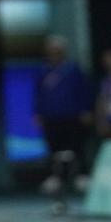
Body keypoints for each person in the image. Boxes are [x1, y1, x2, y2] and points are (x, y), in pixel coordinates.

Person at [32, 35, 92, 211]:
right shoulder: (43, 71)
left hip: (71, 117)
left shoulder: (72, 70)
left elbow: (83, 91)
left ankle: (81, 174)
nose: (54, 54)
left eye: (57, 51)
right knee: (55, 152)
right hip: (51, 118)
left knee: (74, 148)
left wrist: (85, 110)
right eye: (51, 51)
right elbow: (38, 94)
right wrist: (38, 113)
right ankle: (55, 180)